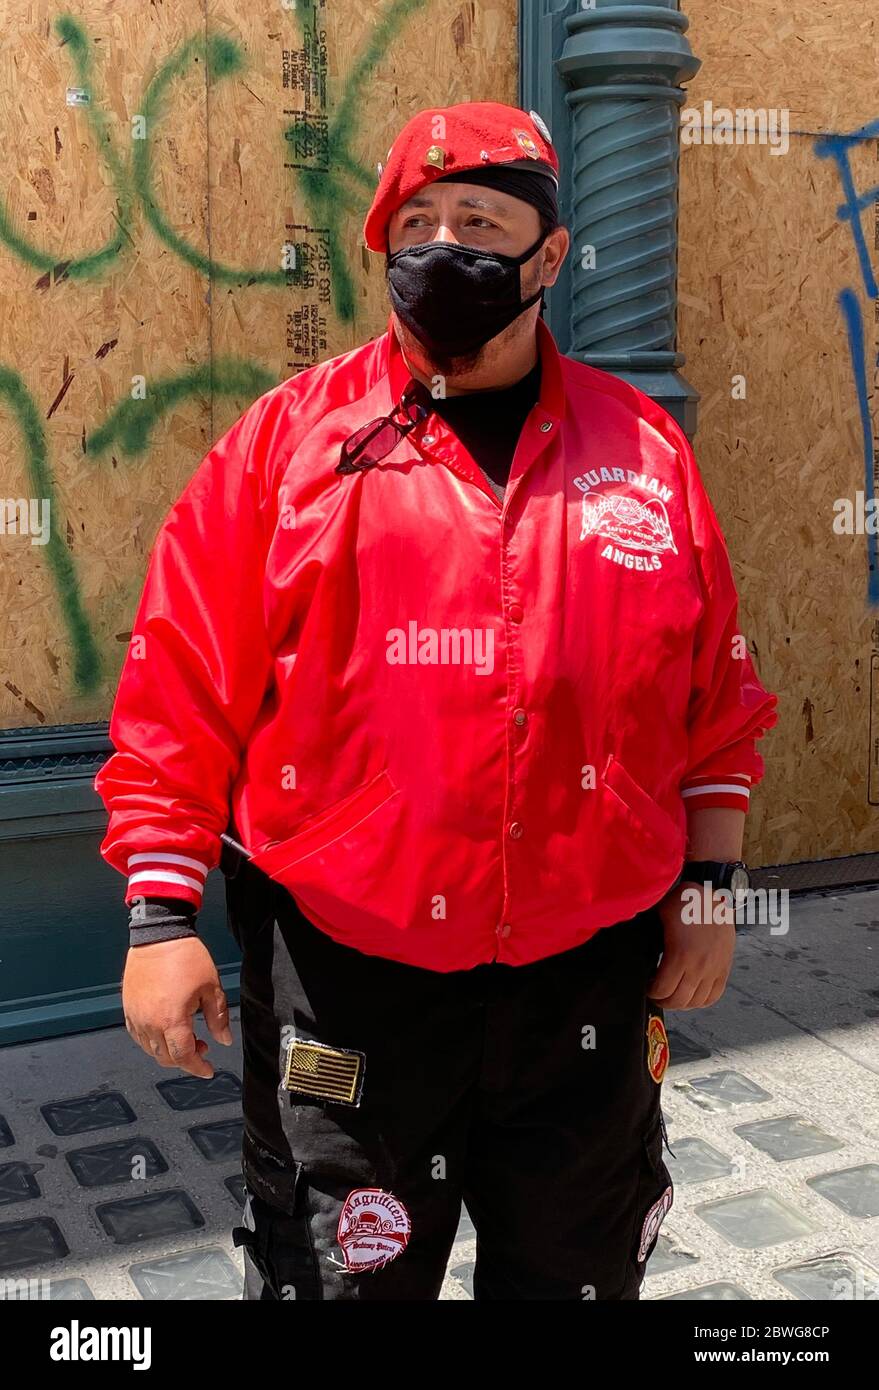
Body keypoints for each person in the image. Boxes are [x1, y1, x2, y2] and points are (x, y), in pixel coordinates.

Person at [95, 101, 778, 1300]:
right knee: (338, 1285)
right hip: (352, 983)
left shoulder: (644, 455)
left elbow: (714, 699)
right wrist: (160, 916)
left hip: (583, 982)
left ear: (551, 255)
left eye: (479, 219)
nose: (442, 246)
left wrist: (712, 888)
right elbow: (179, 688)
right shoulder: (288, 448)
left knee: (575, 1274)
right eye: (417, 221)